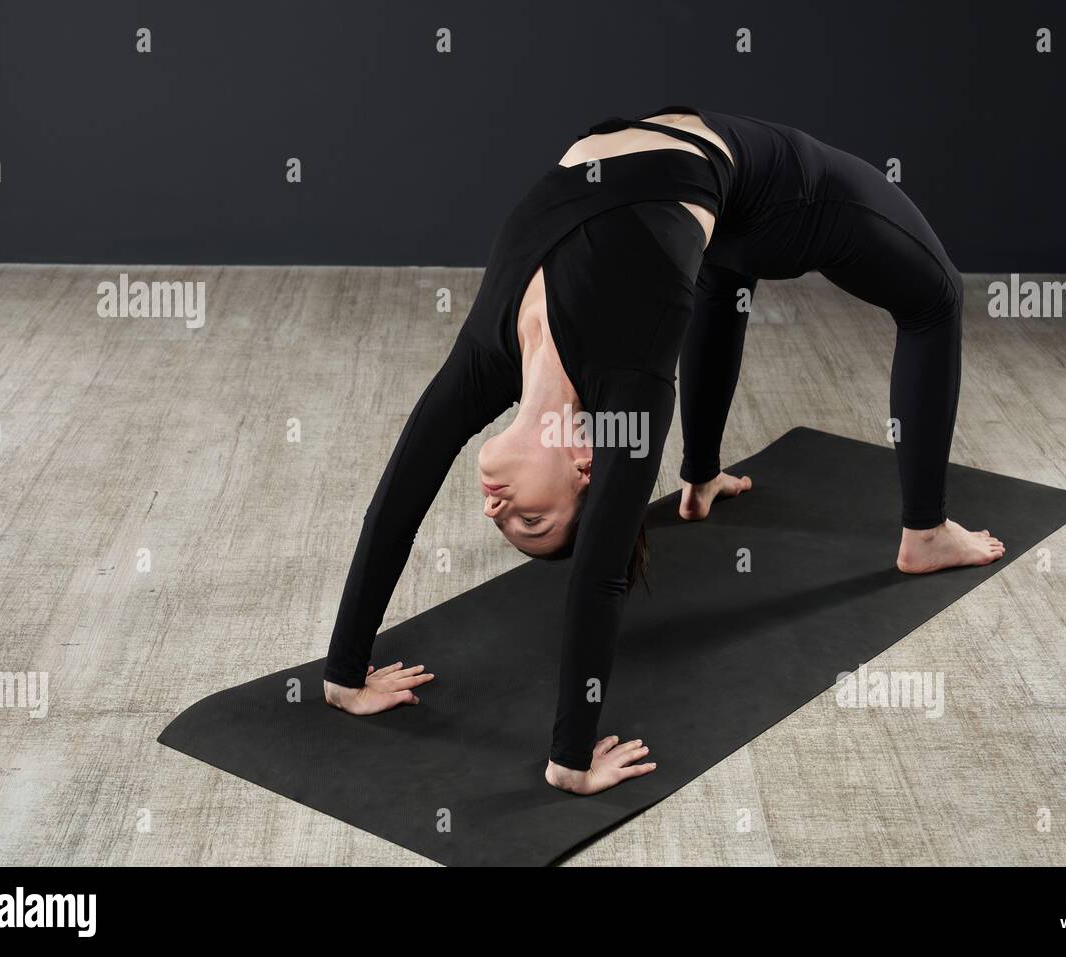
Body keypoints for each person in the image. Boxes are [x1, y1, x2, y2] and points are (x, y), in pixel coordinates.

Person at [323, 106, 1003, 796]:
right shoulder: (633, 384)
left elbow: (401, 492)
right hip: (782, 190)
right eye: (529, 520)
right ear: (582, 464)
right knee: (935, 295)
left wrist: (344, 673)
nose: (495, 508)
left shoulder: (489, 354)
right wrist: (572, 758)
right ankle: (924, 532)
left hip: (708, 193)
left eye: (505, 523)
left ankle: (722, 479)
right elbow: (601, 572)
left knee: (711, 270)